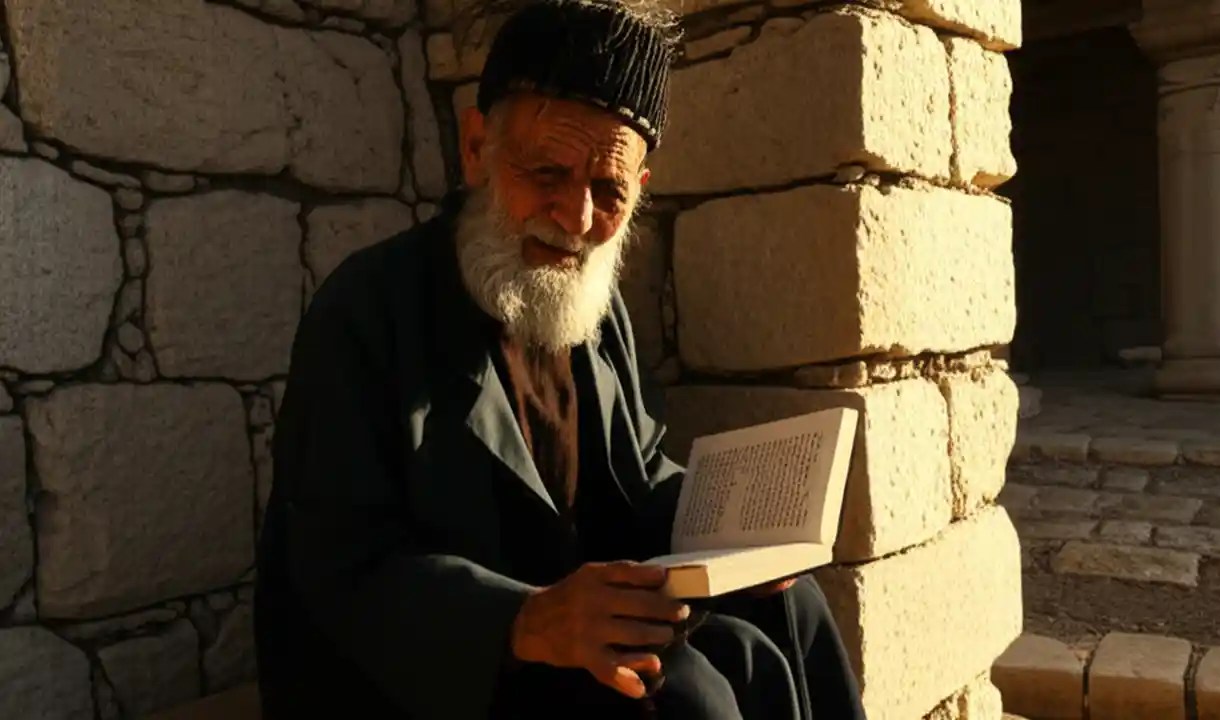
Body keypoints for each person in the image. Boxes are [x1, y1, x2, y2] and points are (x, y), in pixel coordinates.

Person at [253, 0, 869, 718]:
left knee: (791, 618)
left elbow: (638, 477)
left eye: (607, 191)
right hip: (451, 665)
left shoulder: (596, 315)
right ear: (476, 146)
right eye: (547, 171)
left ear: (637, 194)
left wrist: (740, 540)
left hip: (579, 626)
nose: (576, 218)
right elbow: (337, 567)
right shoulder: (365, 311)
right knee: (692, 699)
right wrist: (527, 619)